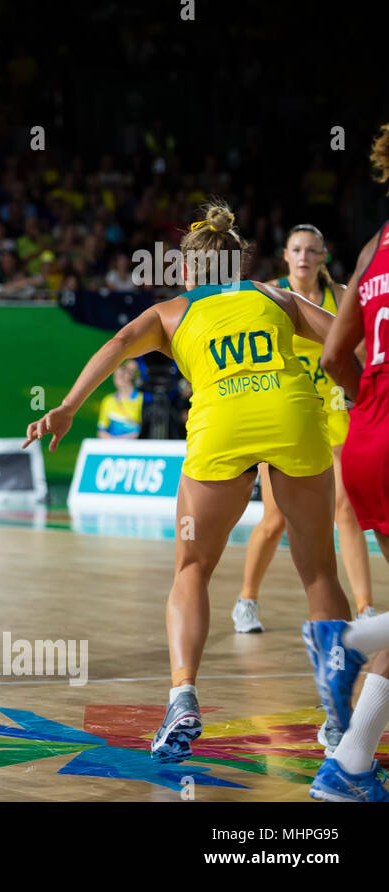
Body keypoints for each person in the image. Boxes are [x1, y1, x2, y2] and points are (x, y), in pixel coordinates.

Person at [24, 202, 351, 764]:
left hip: (221, 425)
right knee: (319, 568)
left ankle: (182, 698)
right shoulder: (274, 294)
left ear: (187, 272)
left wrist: (68, 407)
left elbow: (115, 346)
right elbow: (343, 340)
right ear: (238, 262)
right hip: (292, 414)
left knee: (193, 567)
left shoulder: (170, 311)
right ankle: (342, 722)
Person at [234, 224, 375, 637]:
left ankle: (365, 607)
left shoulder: (342, 296)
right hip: (287, 410)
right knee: (276, 519)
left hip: (334, 407)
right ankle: (246, 599)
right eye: (296, 249)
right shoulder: (267, 294)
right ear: (285, 255)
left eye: (312, 251)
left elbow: (361, 351)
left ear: (323, 256)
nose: (304, 257)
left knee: (346, 509)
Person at [303, 125, 389, 801]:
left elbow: (335, 357)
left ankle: (350, 766)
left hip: (365, 439)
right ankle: (353, 641)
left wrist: (376, 407)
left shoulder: (371, 249)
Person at [96, 360, 142, 438]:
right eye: (116, 376)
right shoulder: (108, 400)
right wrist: (113, 442)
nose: (119, 378)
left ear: (131, 376)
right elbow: (101, 430)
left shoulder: (141, 398)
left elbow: (143, 428)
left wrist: (124, 440)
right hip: (112, 446)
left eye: (123, 373)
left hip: (135, 446)